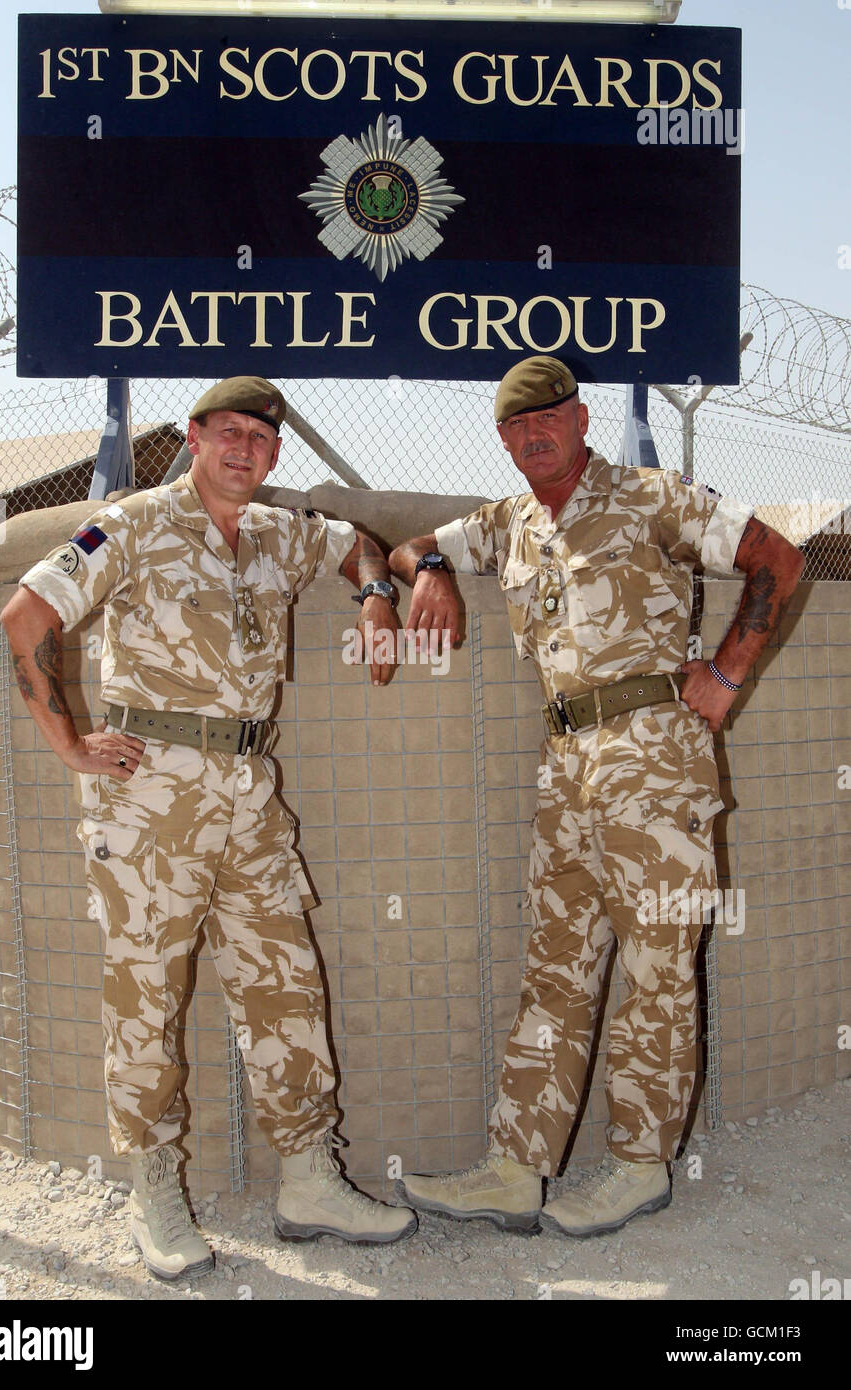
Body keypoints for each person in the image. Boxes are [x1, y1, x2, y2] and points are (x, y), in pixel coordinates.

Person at [0, 375, 417, 1280]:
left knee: (285, 981)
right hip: (147, 793)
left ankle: (309, 1176)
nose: (243, 450)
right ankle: (156, 1189)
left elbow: (360, 547)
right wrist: (67, 741)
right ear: (193, 437)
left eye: (259, 440)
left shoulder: (279, 530)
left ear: (274, 453)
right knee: (146, 996)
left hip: (247, 790)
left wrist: (377, 599)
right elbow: (26, 614)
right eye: (226, 432)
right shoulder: (131, 523)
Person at [388, 355, 805, 1238]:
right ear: (502, 440)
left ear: (580, 420)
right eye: (513, 426)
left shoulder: (652, 496)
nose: (532, 434)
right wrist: (427, 569)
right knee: (554, 973)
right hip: (565, 766)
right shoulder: (508, 523)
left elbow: (777, 558)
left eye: (548, 417)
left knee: (656, 970)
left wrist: (727, 673)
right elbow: (410, 543)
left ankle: (637, 1166)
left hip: (655, 759)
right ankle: (514, 1168)